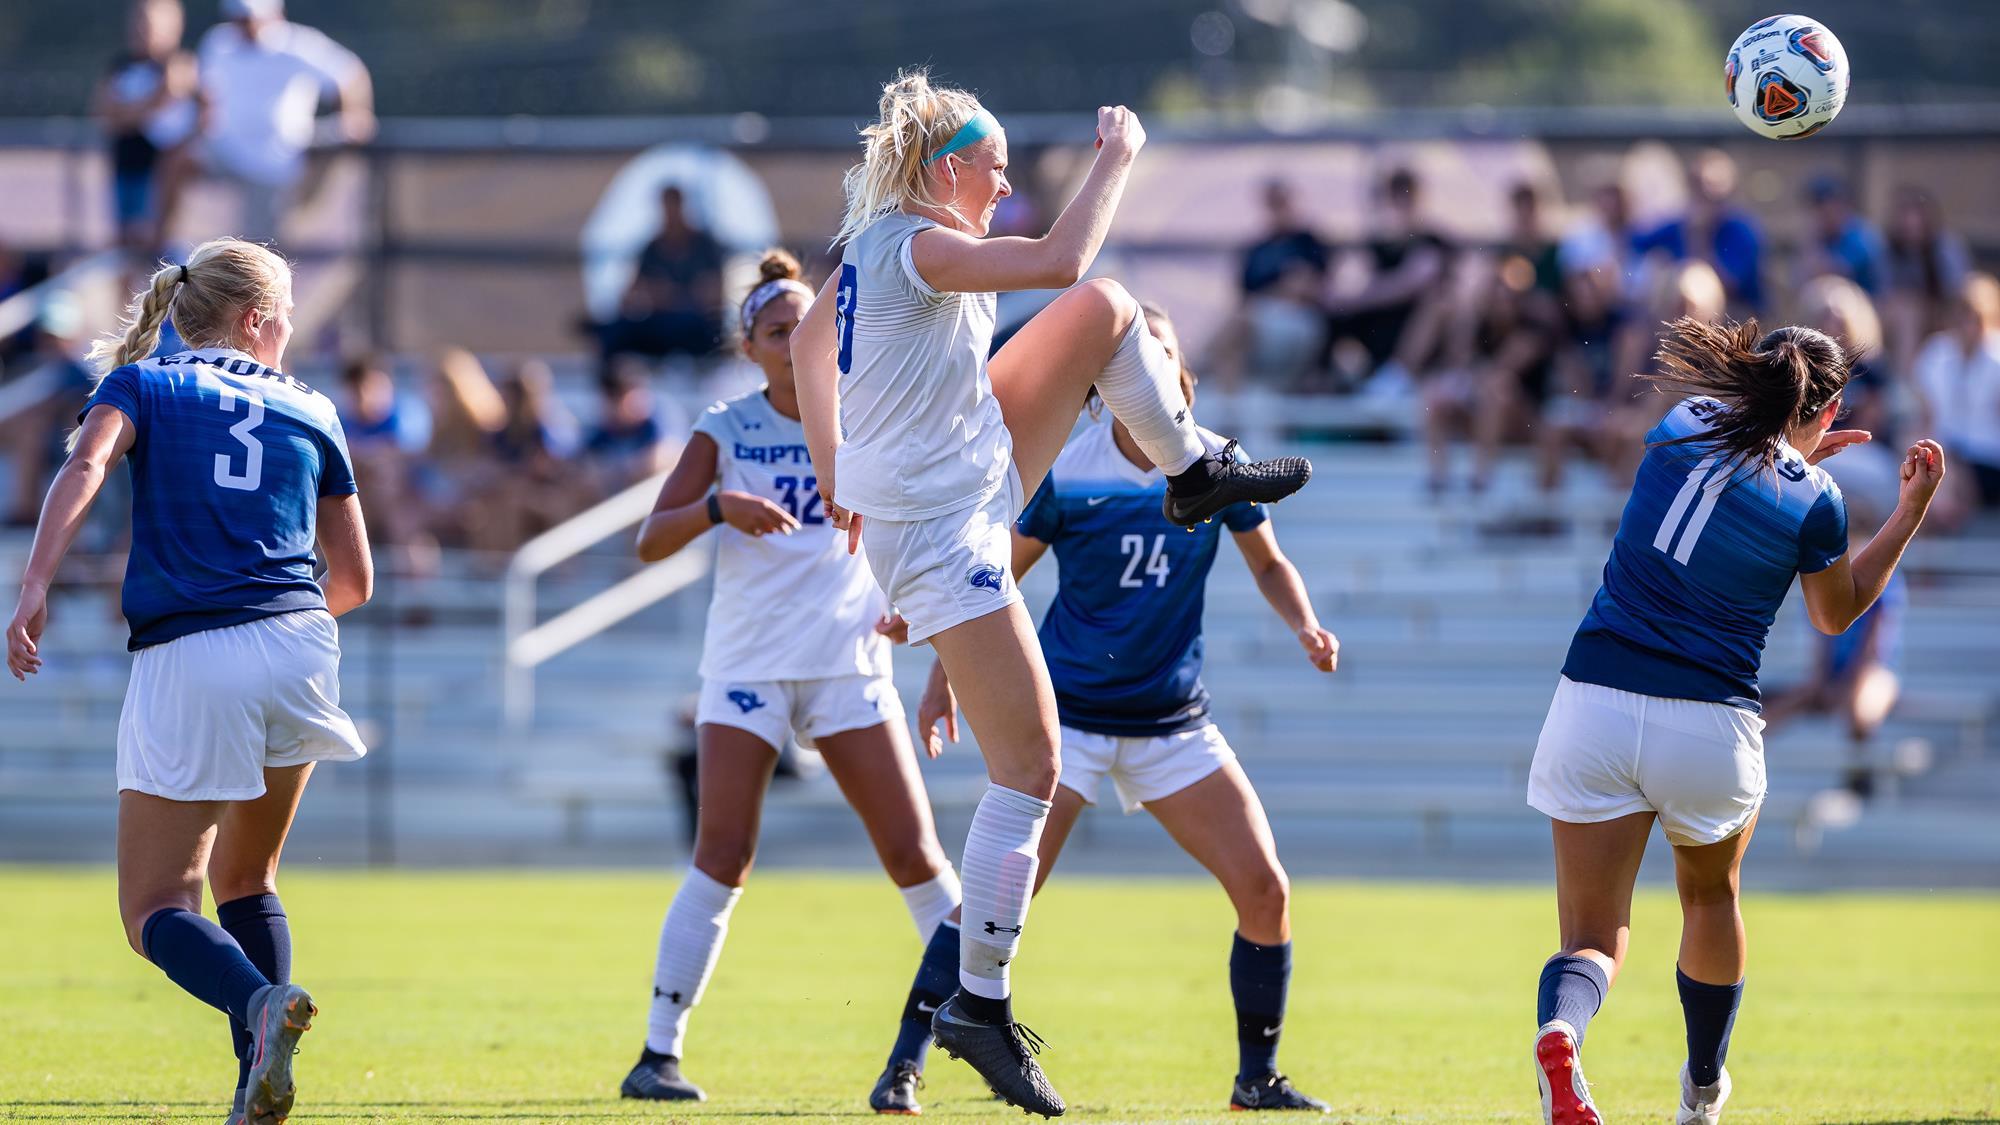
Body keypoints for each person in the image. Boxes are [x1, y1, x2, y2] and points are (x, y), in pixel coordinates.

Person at [791, 71, 1312, 1118]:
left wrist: (840, 473)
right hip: (944, 519)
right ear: (945, 167)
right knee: (1027, 767)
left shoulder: (870, 255)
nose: (1003, 182)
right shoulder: (919, 238)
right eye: (991, 166)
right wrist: (1117, 153)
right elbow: (1057, 254)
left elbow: (810, 342)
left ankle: (1191, 471)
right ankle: (977, 1005)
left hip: (959, 479)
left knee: (1108, 312)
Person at [918, 302, 1339, 1112]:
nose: (1154, 373)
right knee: (997, 907)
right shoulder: (1070, 469)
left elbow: (1269, 564)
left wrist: (1306, 623)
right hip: (1067, 722)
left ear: (1180, 373)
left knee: (1266, 891)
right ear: (1111, 383)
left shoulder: (1218, 464)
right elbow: (989, 583)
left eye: (1164, 356)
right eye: (1134, 362)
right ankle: (905, 1059)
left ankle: (1258, 1078)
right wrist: (945, 675)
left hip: (1172, 722)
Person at [1523, 317, 1944, 1125]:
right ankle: (1703, 1089)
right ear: (1826, 412)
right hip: (1710, 725)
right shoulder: (1817, 498)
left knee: (1590, 934)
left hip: (1594, 703)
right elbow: (1835, 614)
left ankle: (1561, 1030)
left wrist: (1791, 447)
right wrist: (1907, 513)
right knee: (1710, 902)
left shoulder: (1681, 422)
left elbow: (1729, 478)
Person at [5, 238, 373, 1125]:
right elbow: (356, 580)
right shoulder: (314, 407)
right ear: (256, 320)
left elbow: (85, 466)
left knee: (156, 905)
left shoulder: (144, 384)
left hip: (194, 649)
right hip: (301, 642)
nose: (287, 333)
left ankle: (256, 1010)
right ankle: (254, 1082)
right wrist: (278, 631)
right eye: (284, 318)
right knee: (249, 876)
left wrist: (34, 586)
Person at [621, 250, 966, 1115]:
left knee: (917, 857)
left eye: (803, 328)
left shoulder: (863, 418)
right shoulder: (725, 428)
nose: (791, 342)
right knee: (723, 855)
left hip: (850, 662)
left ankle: (984, 1018)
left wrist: (905, 611)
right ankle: (657, 1053)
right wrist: (715, 509)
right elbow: (650, 540)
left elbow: (910, 530)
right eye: (775, 331)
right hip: (747, 667)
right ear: (749, 346)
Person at [185, 0, 374, 244]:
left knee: (258, 248)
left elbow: (351, 74)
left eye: (251, 18)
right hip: (226, 152)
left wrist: (354, 114)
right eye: (240, 19)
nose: (247, 26)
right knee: (176, 161)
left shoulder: (301, 45)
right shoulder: (218, 41)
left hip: (274, 163)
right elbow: (205, 92)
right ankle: (161, 245)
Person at [1321, 167, 1451, 392]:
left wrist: (1372, 292)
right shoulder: (1374, 245)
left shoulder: (1434, 241)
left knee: (1437, 303)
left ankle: (1396, 380)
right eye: (1396, 195)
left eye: (1408, 195)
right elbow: (1342, 293)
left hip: (1416, 340)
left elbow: (1415, 284)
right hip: (1375, 332)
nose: (1402, 203)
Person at [95, 0, 201, 255]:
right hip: (127, 165)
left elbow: (170, 95)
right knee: (125, 248)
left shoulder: (179, 63)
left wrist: (129, 113)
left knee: (163, 245)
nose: (142, 32)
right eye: (138, 24)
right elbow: (106, 114)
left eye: (149, 25)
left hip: (162, 174)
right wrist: (138, 112)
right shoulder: (120, 66)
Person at [596, 186, 727, 362]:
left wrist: (674, 297)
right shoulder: (653, 248)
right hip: (660, 323)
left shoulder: (705, 246)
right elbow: (629, 295)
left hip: (695, 325)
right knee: (616, 331)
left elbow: (714, 295)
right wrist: (650, 296)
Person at [1910, 274, 2000, 519]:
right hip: (1944, 452)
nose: (1968, 326)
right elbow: (1926, 412)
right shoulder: (1936, 353)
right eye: (1962, 317)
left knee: (1951, 474)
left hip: (1988, 459)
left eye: (1975, 318)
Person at [1631, 149, 1764, 315]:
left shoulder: (1742, 231)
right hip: (1674, 315)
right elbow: (1634, 244)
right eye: (1698, 186)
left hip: (1736, 316)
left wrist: (1700, 236)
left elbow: (1730, 285)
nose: (1705, 194)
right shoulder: (1677, 225)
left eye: (1712, 188)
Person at [1882, 186, 1972, 381]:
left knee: (1910, 312)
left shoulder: (1946, 248)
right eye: (1903, 214)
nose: (1909, 222)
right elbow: (1884, 290)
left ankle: (1907, 382)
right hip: (1903, 317)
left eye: (1914, 214)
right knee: (1905, 312)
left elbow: (1959, 292)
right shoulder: (1889, 249)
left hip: (1943, 313)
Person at [1800, 175, 1887, 297]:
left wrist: (1812, 243)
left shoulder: (1862, 234)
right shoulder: (1820, 235)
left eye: (1830, 206)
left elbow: (1831, 273)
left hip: (1871, 306)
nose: (1825, 214)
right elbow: (1800, 278)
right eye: (1819, 208)